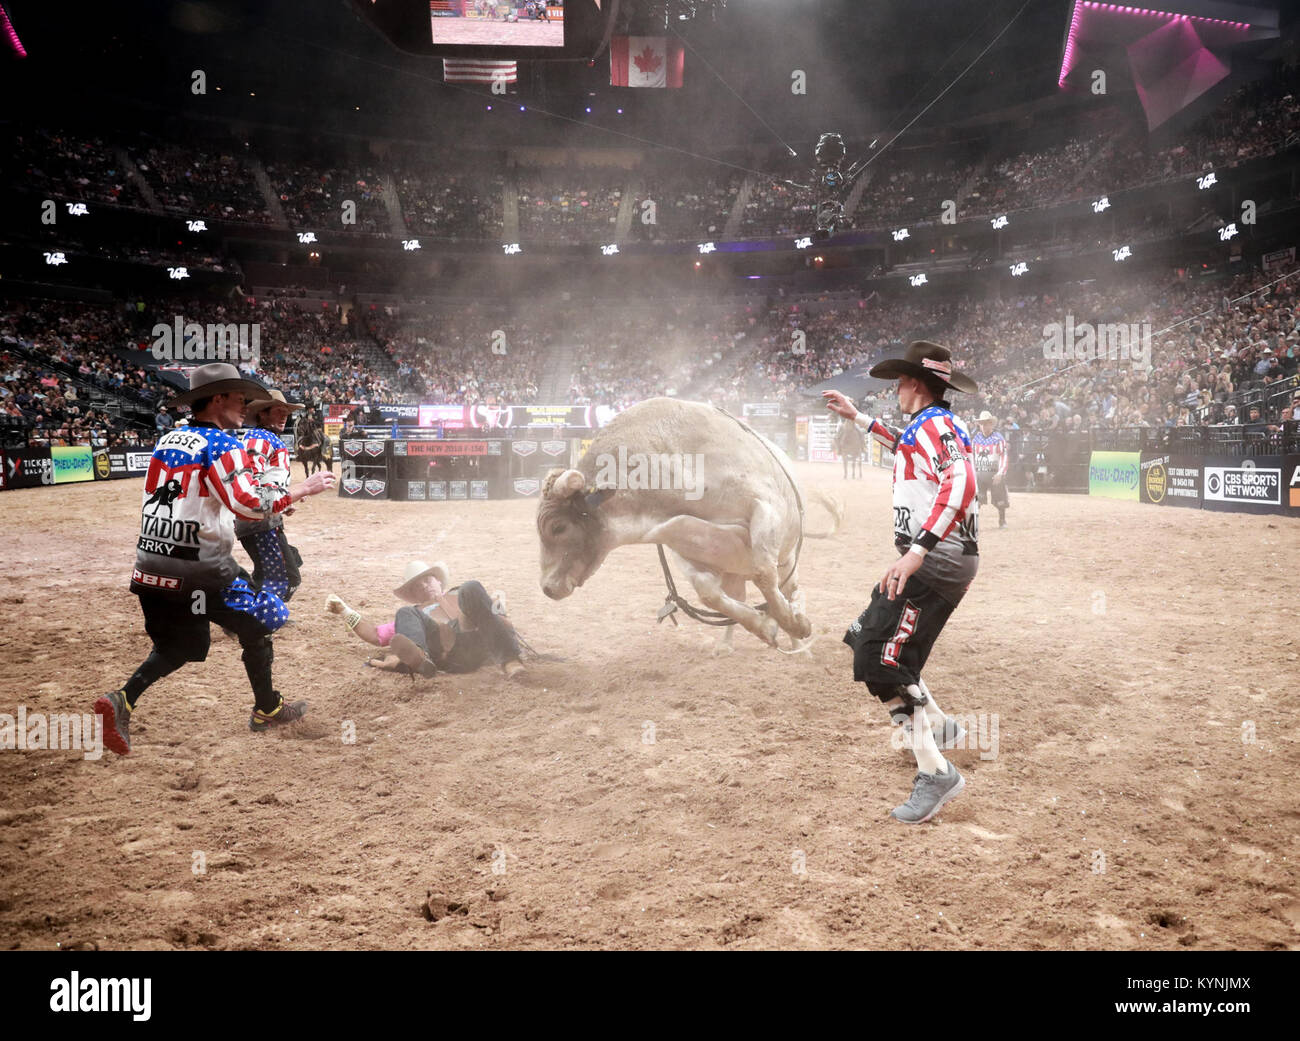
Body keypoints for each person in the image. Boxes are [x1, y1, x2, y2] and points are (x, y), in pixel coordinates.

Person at [93, 363, 336, 756]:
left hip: (153, 566)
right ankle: (268, 709)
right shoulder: (223, 445)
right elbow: (249, 505)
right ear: (217, 398)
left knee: (180, 647)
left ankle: (122, 700)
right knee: (267, 618)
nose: (245, 406)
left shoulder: (167, 438)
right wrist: (302, 490)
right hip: (203, 569)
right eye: (239, 398)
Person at [823, 340, 979, 824]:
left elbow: (963, 481)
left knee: (877, 659)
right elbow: (906, 445)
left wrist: (916, 552)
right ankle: (936, 723)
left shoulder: (935, 425)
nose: (894, 389)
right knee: (863, 636)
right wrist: (858, 418)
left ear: (913, 383)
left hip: (936, 562)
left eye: (898, 381)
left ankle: (936, 772)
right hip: (937, 559)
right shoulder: (929, 425)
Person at [325, 560, 525, 680]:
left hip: (474, 639)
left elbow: (500, 620)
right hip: (445, 654)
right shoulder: (413, 615)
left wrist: (499, 616)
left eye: (427, 580)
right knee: (405, 612)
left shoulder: (461, 594)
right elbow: (375, 635)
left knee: (471, 587)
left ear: (438, 581)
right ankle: (420, 658)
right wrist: (345, 610)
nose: (424, 586)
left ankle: (510, 660)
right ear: (413, 594)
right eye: (417, 586)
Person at [237, 389, 305, 602]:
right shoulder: (260, 439)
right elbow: (252, 480)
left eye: (286, 412)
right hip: (259, 521)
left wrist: (285, 501)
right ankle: (250, 618)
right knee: (288, 578)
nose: (284, 415)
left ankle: (250, 611)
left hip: (264, 518)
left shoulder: (263, 438)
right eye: (278, 411)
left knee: (289, 560)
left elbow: (266, 480)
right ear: (262, 414)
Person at [970, 410, 1010, 528]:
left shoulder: (998, 438)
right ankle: (974, 523)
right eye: (982, 423)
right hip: (980, 473)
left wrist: (1000, 473)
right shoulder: (976, 439)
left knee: (1000, 499)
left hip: (994, 473)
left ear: (991, 424)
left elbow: (1004, 456)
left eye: (986, 423)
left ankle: (1002, 520)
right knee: (976, 499)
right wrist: (972, 472)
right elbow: (971, 456)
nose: (984, 426)